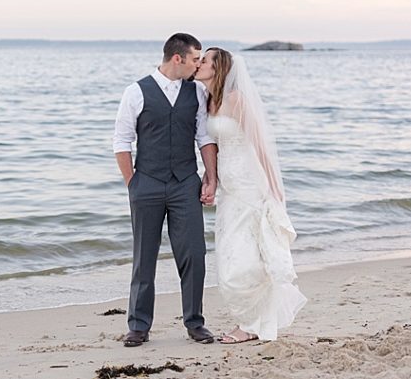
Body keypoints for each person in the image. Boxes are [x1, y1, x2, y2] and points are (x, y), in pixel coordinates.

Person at [194, 47, 306, 344]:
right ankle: (250, 320)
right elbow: (213, 146)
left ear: (218, 69)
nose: (199, 63)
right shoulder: (209, 100)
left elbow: (259, 143)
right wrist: (210, 177)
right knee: (231, 254)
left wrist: (273, 186)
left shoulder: (235, 100)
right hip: (229, 189)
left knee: (243, 260)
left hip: (248, 185)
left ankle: (250, 324)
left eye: (204, 61)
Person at [113, 33, 218, 347]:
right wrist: (133, 183)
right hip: (147, 183)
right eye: (195, 59)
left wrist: (210, 178)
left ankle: (195, 322)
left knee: (194, 255)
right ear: (178, 58)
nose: (198, 64)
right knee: (144, 257)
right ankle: (138, 326)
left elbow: (204, 138)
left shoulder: (197, 92)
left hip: (185, 182)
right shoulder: (136, 91)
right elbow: (121, 141)